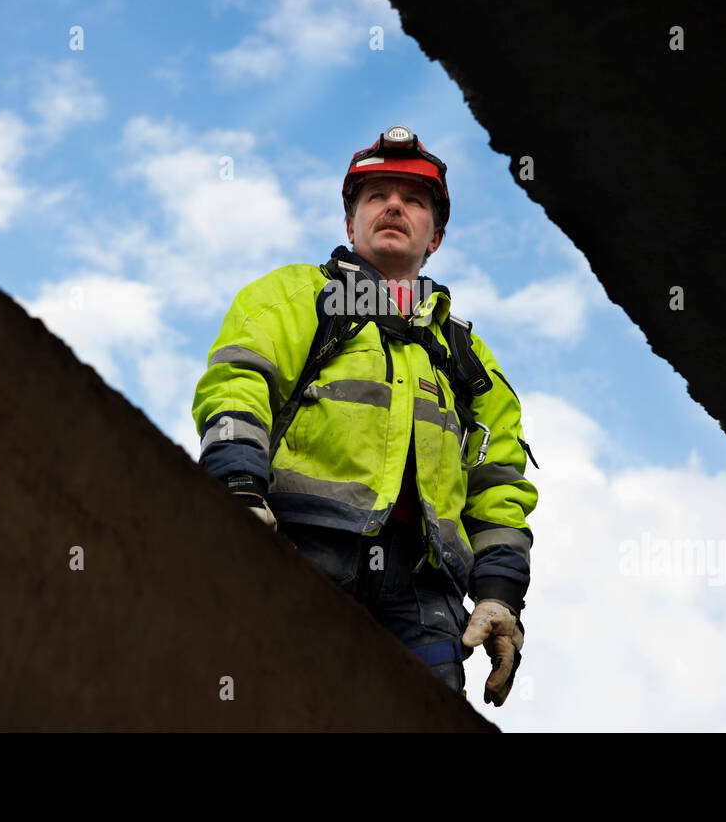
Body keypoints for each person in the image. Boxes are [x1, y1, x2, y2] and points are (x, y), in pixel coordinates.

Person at [192, 125, 538, 706]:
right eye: (377, 196)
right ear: (351, 224)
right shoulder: (295, 296)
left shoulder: (469, 358)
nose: (394, 206)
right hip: (301, 548)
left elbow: (499, 480)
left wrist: (500, 596)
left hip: (427, 594)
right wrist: (237, 489)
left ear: (437, 236)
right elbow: (238, 386)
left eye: (414, 200)